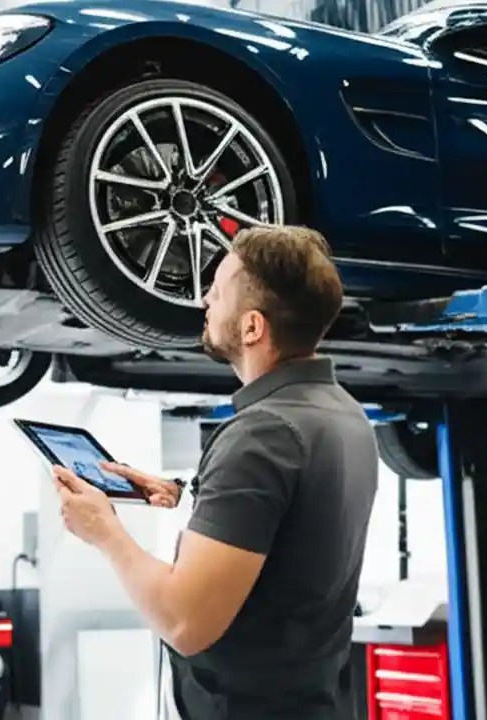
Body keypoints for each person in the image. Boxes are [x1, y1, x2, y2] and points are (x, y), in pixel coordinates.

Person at [52, 225, 380, 719]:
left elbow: (185, 622)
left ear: (252, 328)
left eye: (219, 290)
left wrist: (106, 533)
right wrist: (188, 496)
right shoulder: (344, 415)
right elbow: (293, 522)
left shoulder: (262, 434)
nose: (205, 297)